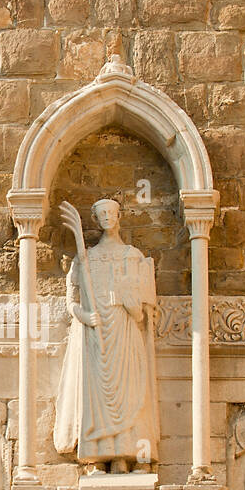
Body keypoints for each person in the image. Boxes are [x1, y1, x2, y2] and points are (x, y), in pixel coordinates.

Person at [54, 198, 160, 474]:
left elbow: (141, 314)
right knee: (97, 394)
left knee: (130, 391)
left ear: (119, 215)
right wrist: (84, 316)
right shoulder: (86, 259)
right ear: (96, 218)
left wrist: (126, 301)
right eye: (101, 214)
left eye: (111, 213)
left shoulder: (131, 256)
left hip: (125, 333)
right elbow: (71, 301)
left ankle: (133, 456)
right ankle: (101, 457)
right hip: (95, 335)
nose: (107, 218)